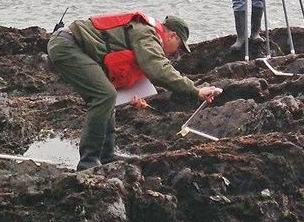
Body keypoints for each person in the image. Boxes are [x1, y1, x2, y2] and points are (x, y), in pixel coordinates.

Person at [46, 12, 219, 170]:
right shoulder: (148, 34)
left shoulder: (144, 33)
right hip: (67, 46)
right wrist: (195, 90)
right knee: (104, 96)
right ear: (172, 36)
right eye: (179, 47)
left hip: (74, 47)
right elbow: (157, 69)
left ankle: (106, 155)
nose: (175, 53)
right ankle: (88, 162)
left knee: (108, 96)